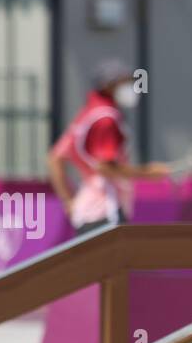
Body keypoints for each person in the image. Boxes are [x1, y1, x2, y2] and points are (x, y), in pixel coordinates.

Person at [47, 59, 170, 237]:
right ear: (108, 85)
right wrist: (149, 172)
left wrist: (68, 201)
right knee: (113, 264)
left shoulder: (88, 114)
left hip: (86, 210)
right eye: (125, 82)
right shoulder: (106, 119)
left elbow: (54, 158)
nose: (131, 86)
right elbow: (105, 167)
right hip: (106, 209)